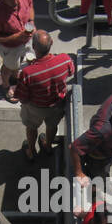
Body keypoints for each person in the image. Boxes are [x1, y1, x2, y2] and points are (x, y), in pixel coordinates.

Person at [16, 31, 73, 159]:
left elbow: (22, 97)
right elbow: (70, 71)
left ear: (34, 47)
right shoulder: (65, 59)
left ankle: (31, 151)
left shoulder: (27, 73)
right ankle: (47, 146)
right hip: (56, 106)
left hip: (35, 108)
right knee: (52, 126)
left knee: (31, 128)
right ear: (51, 43)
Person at [0, 0, 36, 100]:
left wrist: (31, 21)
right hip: (10, 47)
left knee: (19, 63)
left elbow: (30, 5)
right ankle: (5, 85)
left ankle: (15, 75)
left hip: (26, 40)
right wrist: (16, 37)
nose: (15, 2)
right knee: (8, 67)